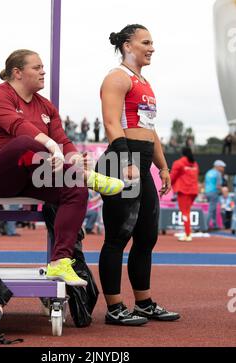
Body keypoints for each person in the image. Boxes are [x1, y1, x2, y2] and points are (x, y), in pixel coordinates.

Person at [0, 49, 125, 287]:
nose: (43, 72)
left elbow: (63, 140)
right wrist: (51, 147)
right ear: (17, 72)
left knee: (74, 188)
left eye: (43, 67)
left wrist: (73, 157)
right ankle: (85, 176)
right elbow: (18, 127)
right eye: (37, 67)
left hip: (30, 174)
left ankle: (60, 261)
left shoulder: (46, 107)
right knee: (22, 143)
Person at [96, 24, 180, 326]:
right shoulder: (117, 77)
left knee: (146, 237)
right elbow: (110, 120)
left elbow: (150, 129)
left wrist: (163, 166)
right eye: (146, 42)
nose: (152, 47)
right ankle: (115, 308)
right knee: (118, 236)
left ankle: (143, 303)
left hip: (140, 162)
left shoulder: (143, 81)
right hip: (121, 160)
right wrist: (124, 158)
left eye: (152, 42)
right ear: (128, 46)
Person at [170, 147, 199, 242]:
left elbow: (172, 176)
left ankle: (188, 234)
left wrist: (167, 184)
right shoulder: (195, 164)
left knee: (185, 212)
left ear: (182, 153)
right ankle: (187, 232)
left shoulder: (178, 163)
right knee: (187, 211)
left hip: (183, 191)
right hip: (193, 191)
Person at [204, 160, 226, 230]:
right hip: (214, 192)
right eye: (222, 167)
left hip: (207, 192)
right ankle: (206, 225)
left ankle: (215, 225)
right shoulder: (218, 173)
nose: (223, 169)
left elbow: (205, 183)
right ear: (218, 166)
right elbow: (218, 186)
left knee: (213, 209)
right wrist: (224, 192)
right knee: (212, 210)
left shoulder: (208, 172)